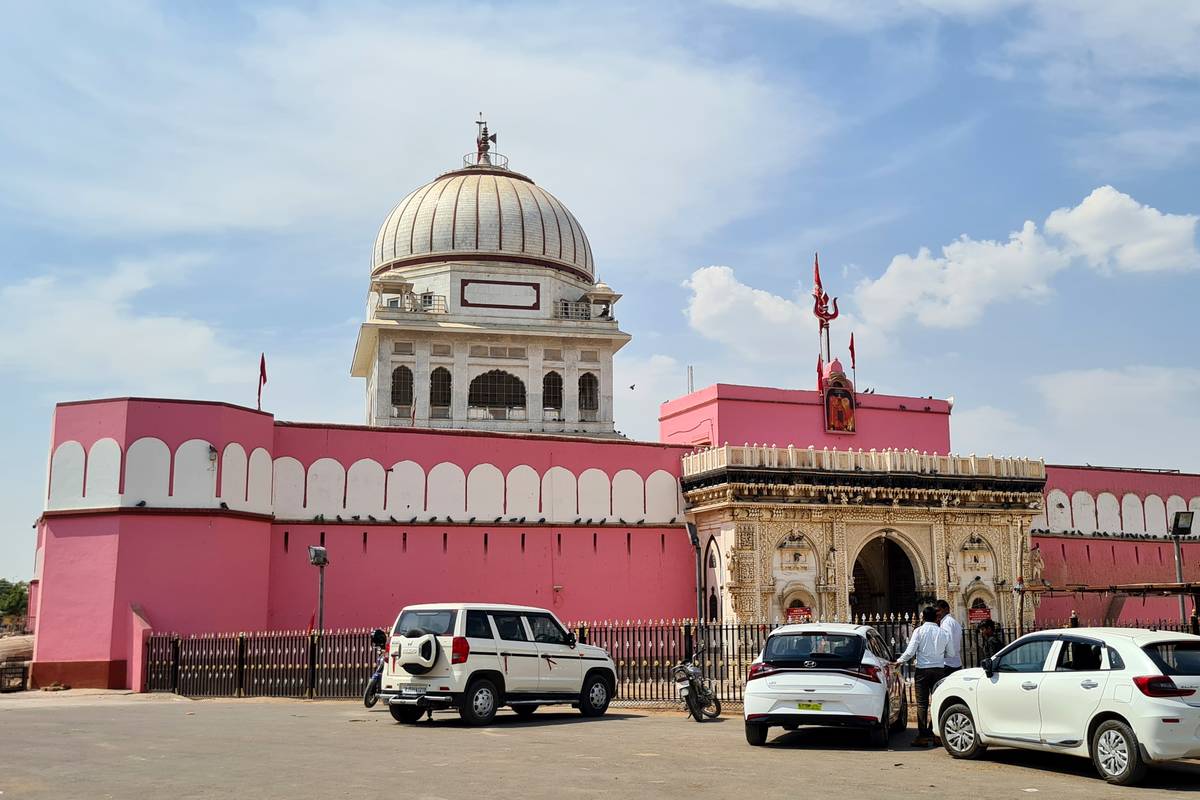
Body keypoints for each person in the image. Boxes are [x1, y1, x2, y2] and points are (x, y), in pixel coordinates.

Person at [894, 606, 950, 747]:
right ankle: (937, 734)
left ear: (923, 617)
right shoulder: (943, 633)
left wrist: (899, 661)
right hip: (939, 670)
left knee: (922, 704)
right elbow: (951, 652)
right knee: (937, 701)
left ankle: (923, 736)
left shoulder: (919, 631)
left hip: (923, 671)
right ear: (936, 617)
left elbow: (910, 651)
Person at [935, 599, 963, 676]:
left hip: (947, 664)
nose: (937, 613)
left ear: (946, 609)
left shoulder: (946, 622)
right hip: (956, 662)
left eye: (939, 610)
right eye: (936, 611)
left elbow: (947, 641)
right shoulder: (954, 622)